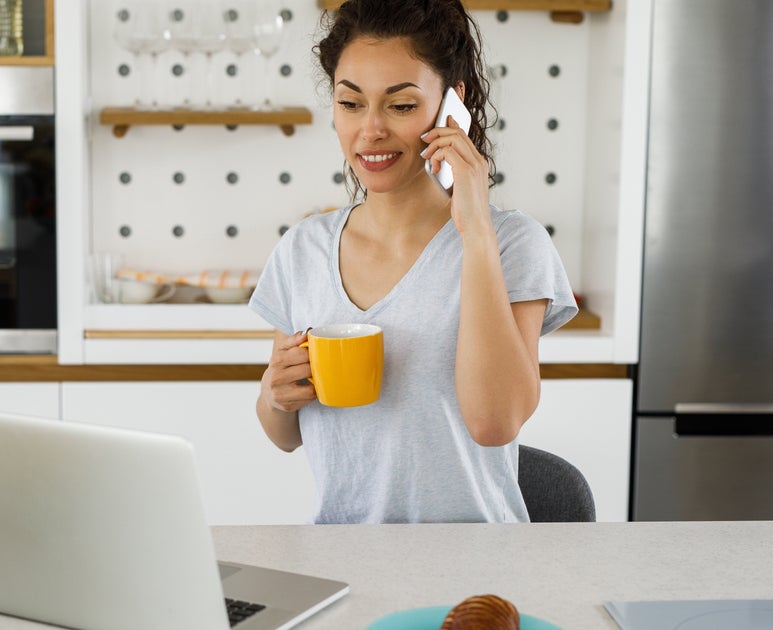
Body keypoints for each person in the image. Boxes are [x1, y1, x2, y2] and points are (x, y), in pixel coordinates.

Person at [248, 0, 578, 524]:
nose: (370, 130)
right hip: (346, 564)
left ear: (453, 107)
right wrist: (275, 396)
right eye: (351, 103)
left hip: (478, 567)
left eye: (400, 106)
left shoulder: (512, 244)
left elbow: (496, 423)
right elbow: (283, 436)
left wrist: (475, 233)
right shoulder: (302, 250)